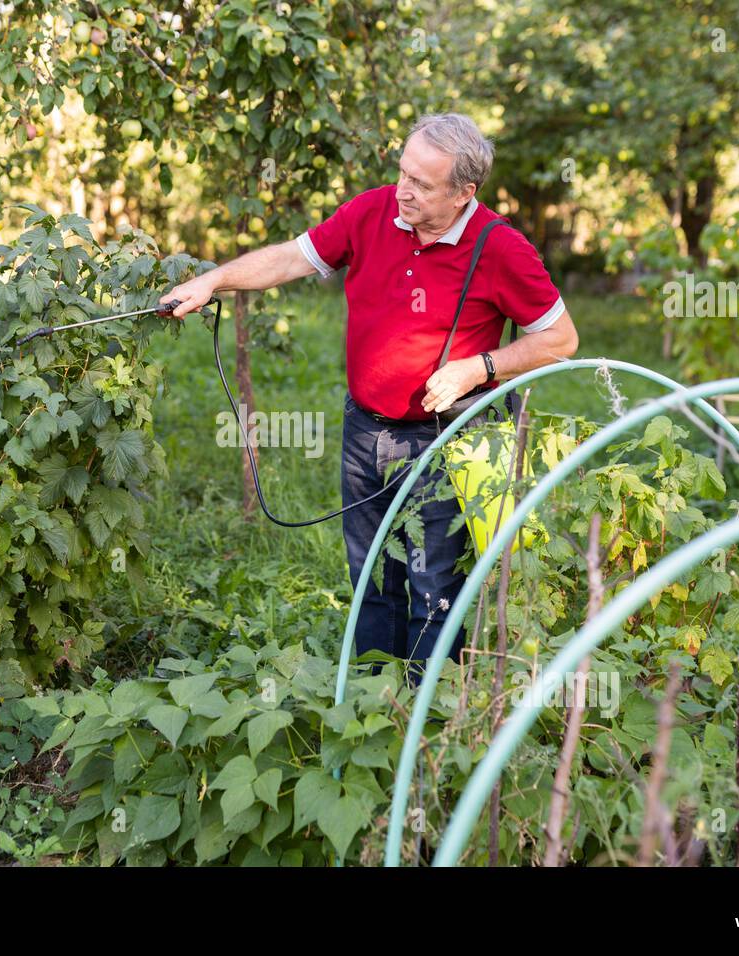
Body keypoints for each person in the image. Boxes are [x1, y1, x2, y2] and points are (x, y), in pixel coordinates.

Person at [162, 112, 578, 677]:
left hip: (447, 437)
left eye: (423, 184)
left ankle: (425, 718)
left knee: (433, 582)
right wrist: (213, 279)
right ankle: (371, 700)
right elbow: (293, 256)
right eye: (403, 172)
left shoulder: (500, 248)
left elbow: (561, 339)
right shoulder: (374, 210)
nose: (403, 190)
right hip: (365, 429)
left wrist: (480, 367)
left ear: (464, 193)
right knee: (372, 574)